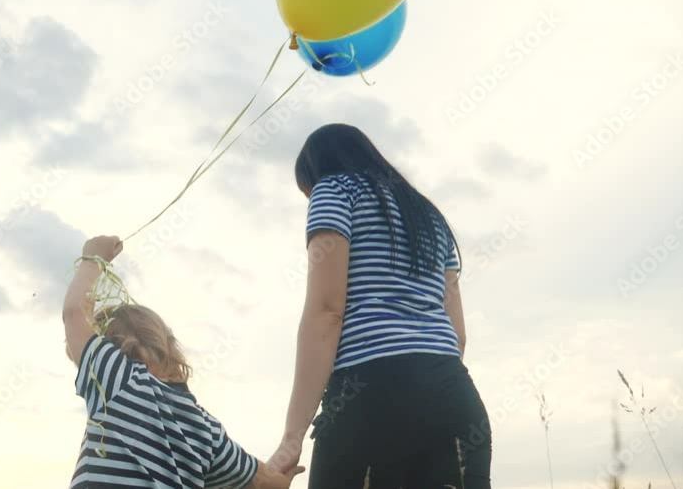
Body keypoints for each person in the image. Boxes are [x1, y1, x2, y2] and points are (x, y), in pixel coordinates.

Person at [268, 124, 492, 488]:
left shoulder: (334, 190)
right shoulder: (428, 216)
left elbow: (327, 313)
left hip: (369, 394)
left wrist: (291, 440)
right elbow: (458, 336)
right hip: (455, 401)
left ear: (315, 172)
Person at [64, 235, 306, 488]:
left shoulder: (118, 379)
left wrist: (94, 256)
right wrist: (282, 475)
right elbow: (266, 484)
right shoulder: (207, 429)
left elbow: (73, 313)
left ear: (112, 349)